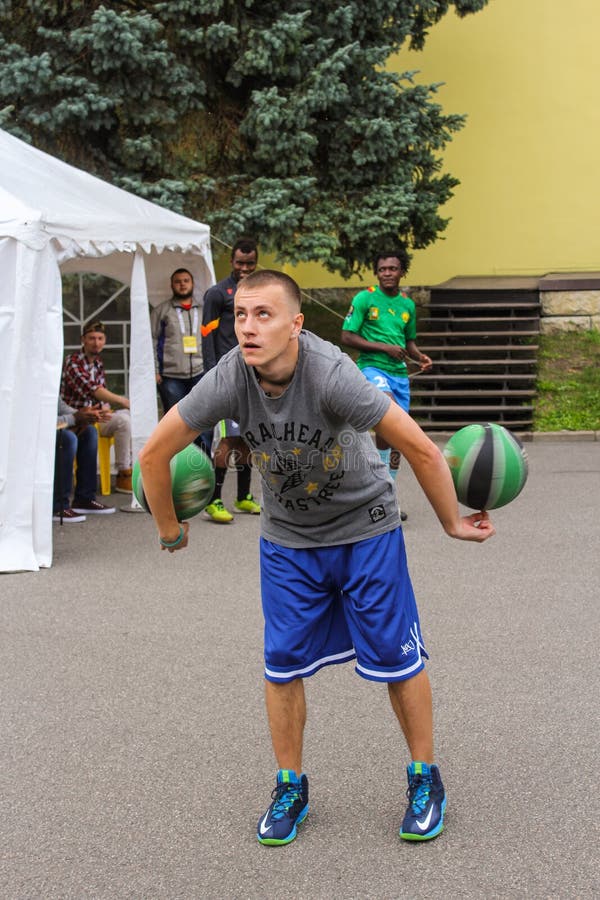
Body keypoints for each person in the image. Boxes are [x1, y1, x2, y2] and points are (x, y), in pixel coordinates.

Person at [138, 270, 495, 847]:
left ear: (296, 325)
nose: (248, 328)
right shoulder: (231, 377)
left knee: (397, 659)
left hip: (365, 531)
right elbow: (155, 453)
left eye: (264, 315)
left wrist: (453, 522)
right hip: (289, 542)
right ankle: (290, 785)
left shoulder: (333, 374)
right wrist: (169, 529)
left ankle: (426, 778)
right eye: (241, 316)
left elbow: (420, 447)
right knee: (281, 665)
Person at [340, 248, 432, 521]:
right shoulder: (365, 298)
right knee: (387, 414)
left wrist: (419, 357)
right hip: (372, 368)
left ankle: (387, 493)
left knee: (398, 437)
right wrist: (383, 347)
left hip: (400, 374)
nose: (387, 274)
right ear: (376, 272)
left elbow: (409, 341)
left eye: (392, 269)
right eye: (382, 269)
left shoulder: (407, 305)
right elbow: (347, 335)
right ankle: (376, 489)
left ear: (402, 271)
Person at [200, 237, 261, 523]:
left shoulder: (259, 291)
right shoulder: (217, 293)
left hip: (255, 376)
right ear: (231, 262)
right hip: (227, 376)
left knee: (249, 438)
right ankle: (214, 501)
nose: (245, 268)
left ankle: (243, 497)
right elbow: (206, 335)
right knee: (228, 439)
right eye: (240, 263)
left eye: (250, 263)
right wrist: (214, 372)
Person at [61, 320, 133, 495]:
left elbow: (100, 396)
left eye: (100, 338)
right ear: (83, 340)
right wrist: (123, 401)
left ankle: (125, 470)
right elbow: (94, 390)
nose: (96, 342)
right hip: (76, 417)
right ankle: (121, 473)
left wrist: (106, 408)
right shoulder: (73, 362)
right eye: (91, 338)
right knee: (123, 414)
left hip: (96, 416)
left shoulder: (98, 363)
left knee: (125, 418)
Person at [150, 268, 211, 456]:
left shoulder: (203, 310)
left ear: (192, 283)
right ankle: (181, 462)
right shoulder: (162, 310)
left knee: (205, 419)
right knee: (177, 422)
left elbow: (212, 339)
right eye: (178, 281)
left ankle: (204, 461)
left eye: (186, 280)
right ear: (172, 285)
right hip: (171, 376)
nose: (182, 284)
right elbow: (151, 340)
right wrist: (155, 369)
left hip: (200, 372)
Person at [54, 399, 115, 521]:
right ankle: (58, 506)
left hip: (58, 424)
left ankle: (84, 499)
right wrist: (74, 418)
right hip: (33, 432)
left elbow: (60, 406)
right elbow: (39, 420)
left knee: (89, 431)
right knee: (67, 438)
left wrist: (86, 414)